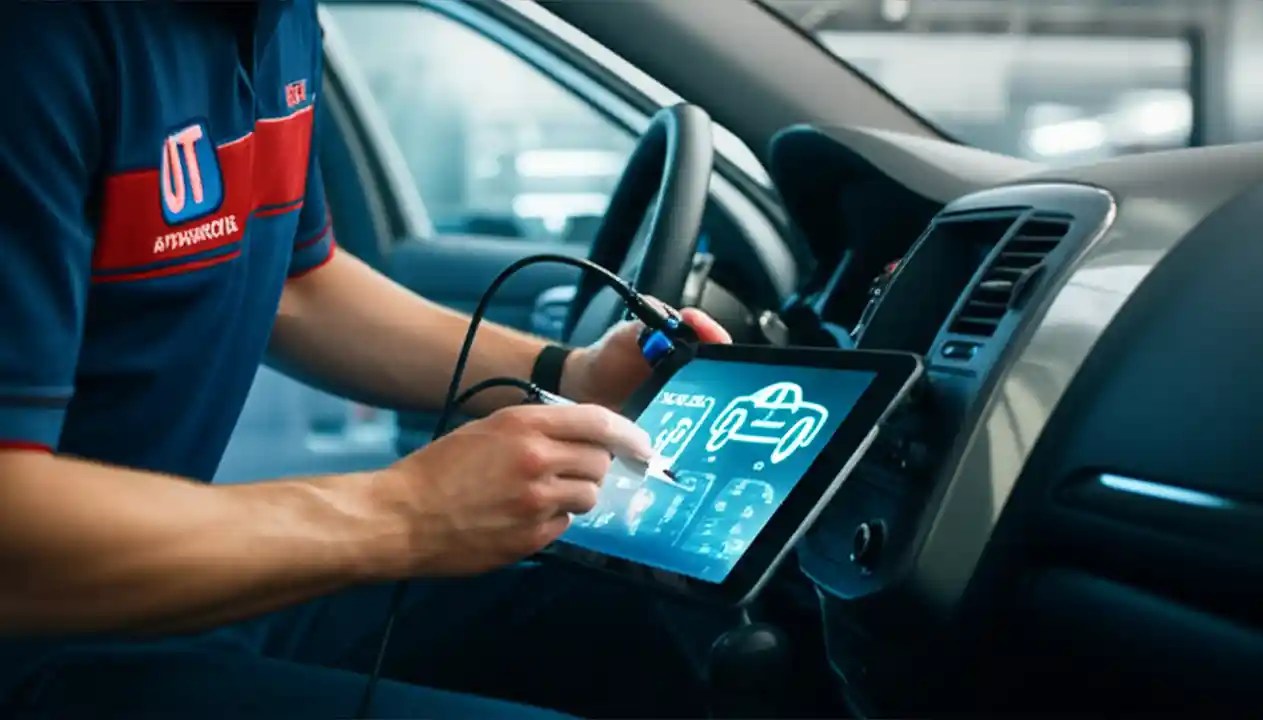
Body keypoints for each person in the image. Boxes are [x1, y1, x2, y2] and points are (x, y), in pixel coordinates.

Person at [0, 2, 730, 718]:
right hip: (45, 628)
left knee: (636, 629)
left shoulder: (281, 23)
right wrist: (405, 513)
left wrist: (567, 376)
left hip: (161, 596)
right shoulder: (38, 42)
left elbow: (296, 282)